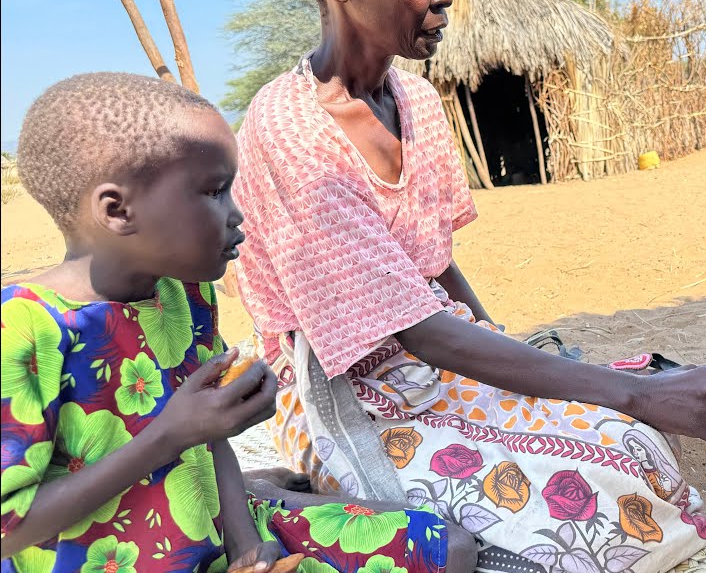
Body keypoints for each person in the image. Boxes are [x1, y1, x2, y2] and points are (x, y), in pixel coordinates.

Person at [231, 0, 706, 570]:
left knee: (624, 447)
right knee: (576, 495)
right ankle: (286, 499)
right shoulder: (289, 130)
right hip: (346, 397)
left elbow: (437, 267)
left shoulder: (412, 101)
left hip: (433, 360)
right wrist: (635, 390)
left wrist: (510, 355)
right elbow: (417, 329)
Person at [0, 73, 475, 573]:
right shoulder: (26, 326)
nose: (237, 215)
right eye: (214, 192)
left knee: (443, 547)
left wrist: (247, 549)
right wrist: (169, 436)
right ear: (118, 210)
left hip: (219, 524)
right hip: (112, 558)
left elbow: (211, 437)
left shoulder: (182, 292)